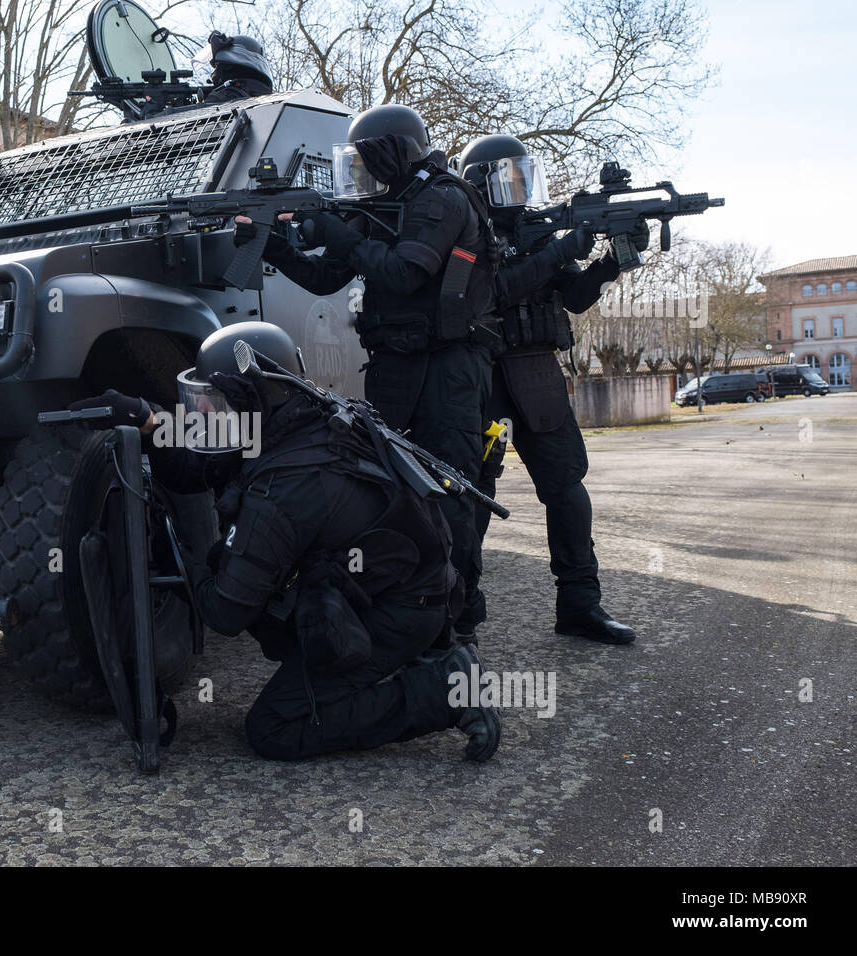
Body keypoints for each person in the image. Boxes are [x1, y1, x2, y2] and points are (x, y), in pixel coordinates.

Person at [69, 322, 501, 762]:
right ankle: (417, 657)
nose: (208, 417)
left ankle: (448, 690)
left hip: (403, 610)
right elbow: (196, 468)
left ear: (253, 401)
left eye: (217, 405)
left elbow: (224, 611)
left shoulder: (285, 486)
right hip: (405, 587)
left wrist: (180, 551)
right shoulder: (297, 423)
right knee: (249, 576)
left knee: (275, 727)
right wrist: (147, 420)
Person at [233, 104, 501, 647]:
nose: (360, 170)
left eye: (368, 157)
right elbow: (325, 275)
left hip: (448, 367)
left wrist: (338, 231)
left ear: (392, 152)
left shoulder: (442, 197)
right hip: (394, 364)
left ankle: (460, 619)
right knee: (395, 487)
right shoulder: (384, 204)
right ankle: (408, 602)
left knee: (450, 488)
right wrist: (272, 242)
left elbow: (405, 272)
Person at [454, 134, 643, 644]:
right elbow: (494, 290)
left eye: (524, 176)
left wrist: (611, 260)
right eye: (508, 178)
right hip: (485, 380)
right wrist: (562, 246)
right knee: (474, 495)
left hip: (537, 378)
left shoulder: (538, 232)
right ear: (482, 183)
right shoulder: (464, 227)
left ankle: (581, 607)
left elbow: (576, 298)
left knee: (567, 492)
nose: (520, 189)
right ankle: (456, 614)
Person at [196, 31, 274, 104]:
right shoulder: (268, 98)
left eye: (217, 65)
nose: (214, 72)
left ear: (228, 65)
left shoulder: (227, 95)